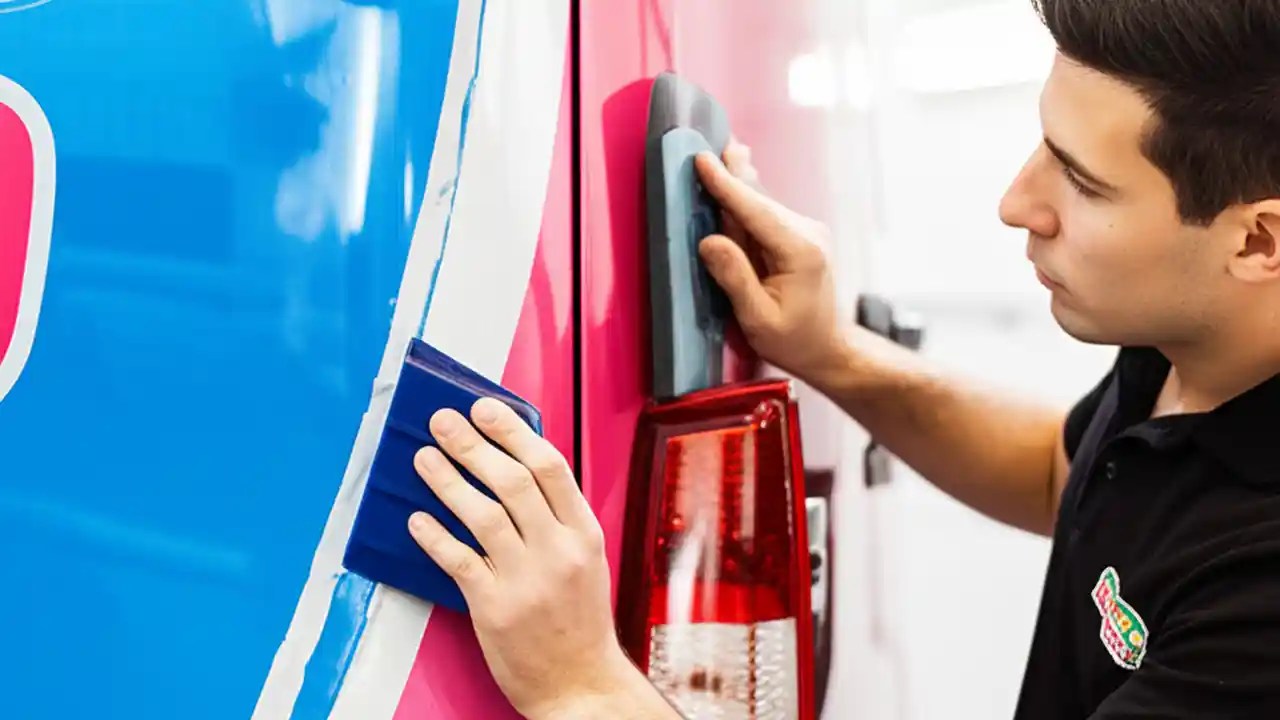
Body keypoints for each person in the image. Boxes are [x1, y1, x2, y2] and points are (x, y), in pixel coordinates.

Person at [403, 1, 1280, 717]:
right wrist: (831, 352)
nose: (1017, 203)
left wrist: (582, 684)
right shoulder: (1196, 349)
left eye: (1082, 185)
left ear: (1258, 239)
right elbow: (1065, 477)